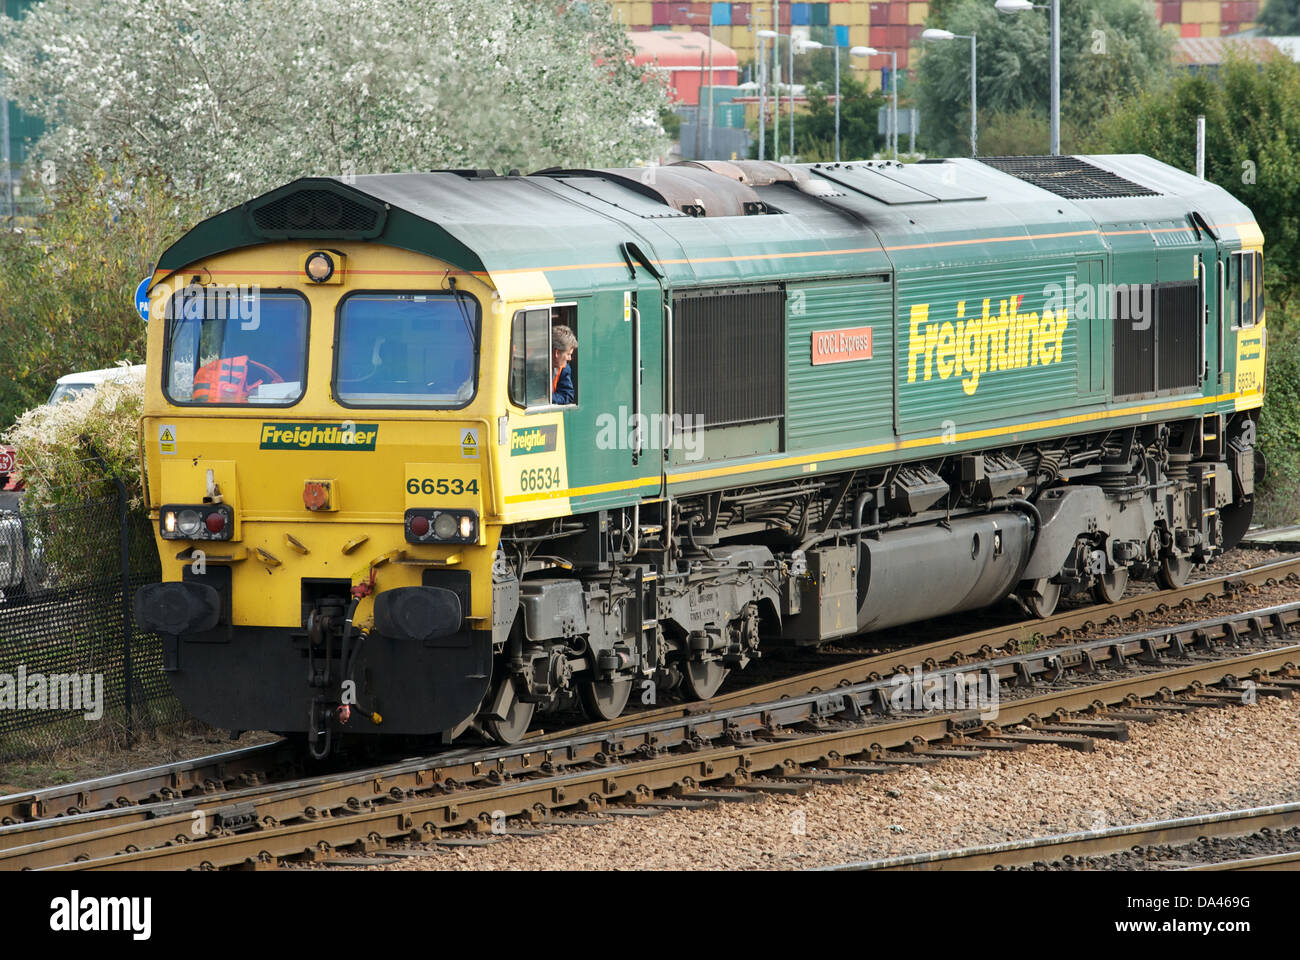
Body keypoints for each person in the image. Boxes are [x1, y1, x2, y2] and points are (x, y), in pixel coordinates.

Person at [551, 325, 578, 404]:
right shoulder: (532, 366)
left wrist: (548, 399)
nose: (570, 358)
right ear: (557, 353)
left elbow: (567, 395)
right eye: (568, 354)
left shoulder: (564, 368)